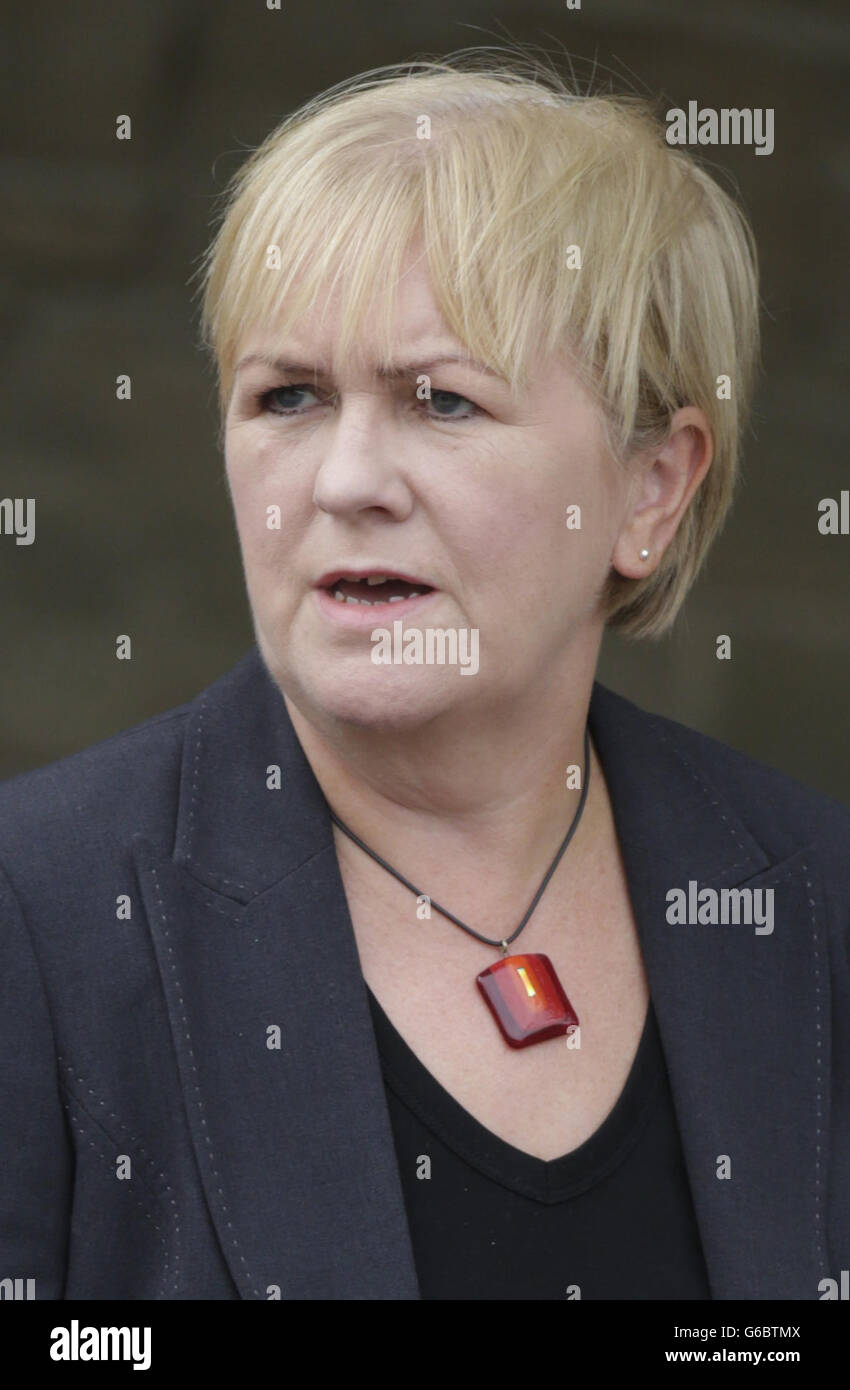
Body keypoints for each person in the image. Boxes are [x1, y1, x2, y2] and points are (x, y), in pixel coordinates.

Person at [1, 54, 848, 1302]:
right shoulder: (39, 912)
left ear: (650, 489)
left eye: (440, 402)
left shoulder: (814, 901)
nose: (345, 480)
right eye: (285, 396)